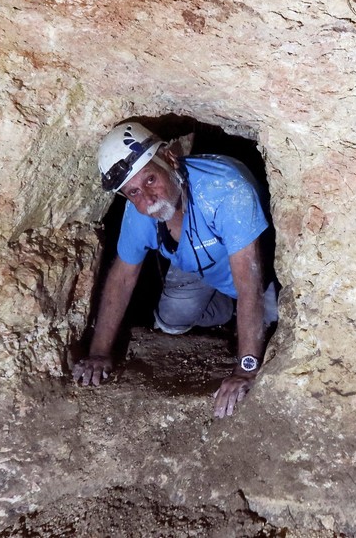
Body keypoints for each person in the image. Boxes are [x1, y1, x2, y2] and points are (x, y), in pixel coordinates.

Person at [73, 121, 276, 419]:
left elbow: (249, 285)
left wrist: (245, 368)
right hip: (200, 267)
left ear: (169, 158)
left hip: (258, 275)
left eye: (150, 180)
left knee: (272, 329)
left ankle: (247, 320)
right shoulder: (141, 210)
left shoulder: (226, 191)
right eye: (133, 193)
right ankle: (232, 314)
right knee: (170, 321)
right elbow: (122, 277)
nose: (147, 199)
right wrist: (99, 352)